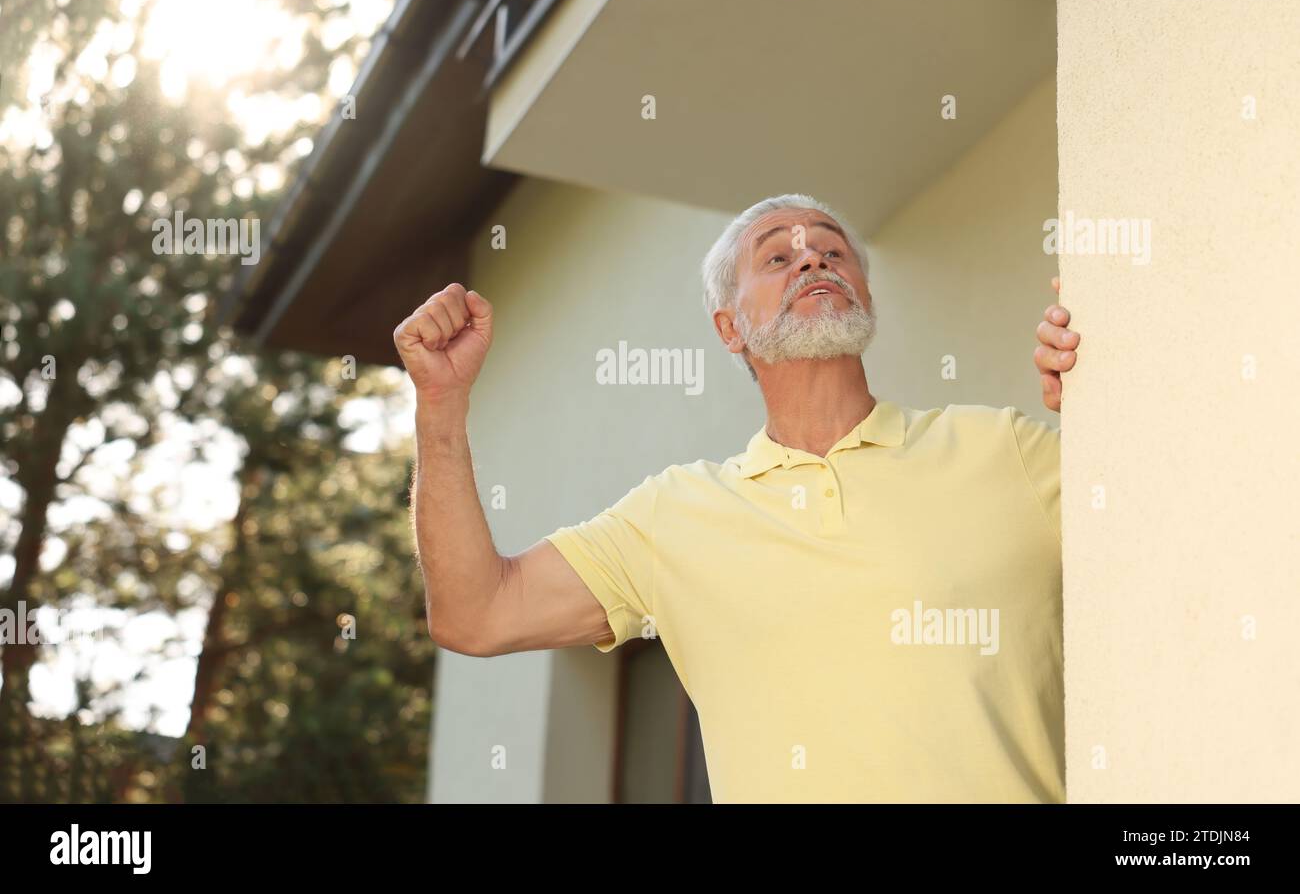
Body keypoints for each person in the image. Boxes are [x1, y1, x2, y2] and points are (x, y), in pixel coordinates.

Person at [393, 193, 1082, 802]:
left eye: (831, 249)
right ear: (729, 329)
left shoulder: (1003, 449)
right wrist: (440, 401)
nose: (813, 260)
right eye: (778, 257)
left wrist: (1099, 394)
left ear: (866, 296)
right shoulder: (676, 513)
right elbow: (475, 613)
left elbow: (1167, 521)